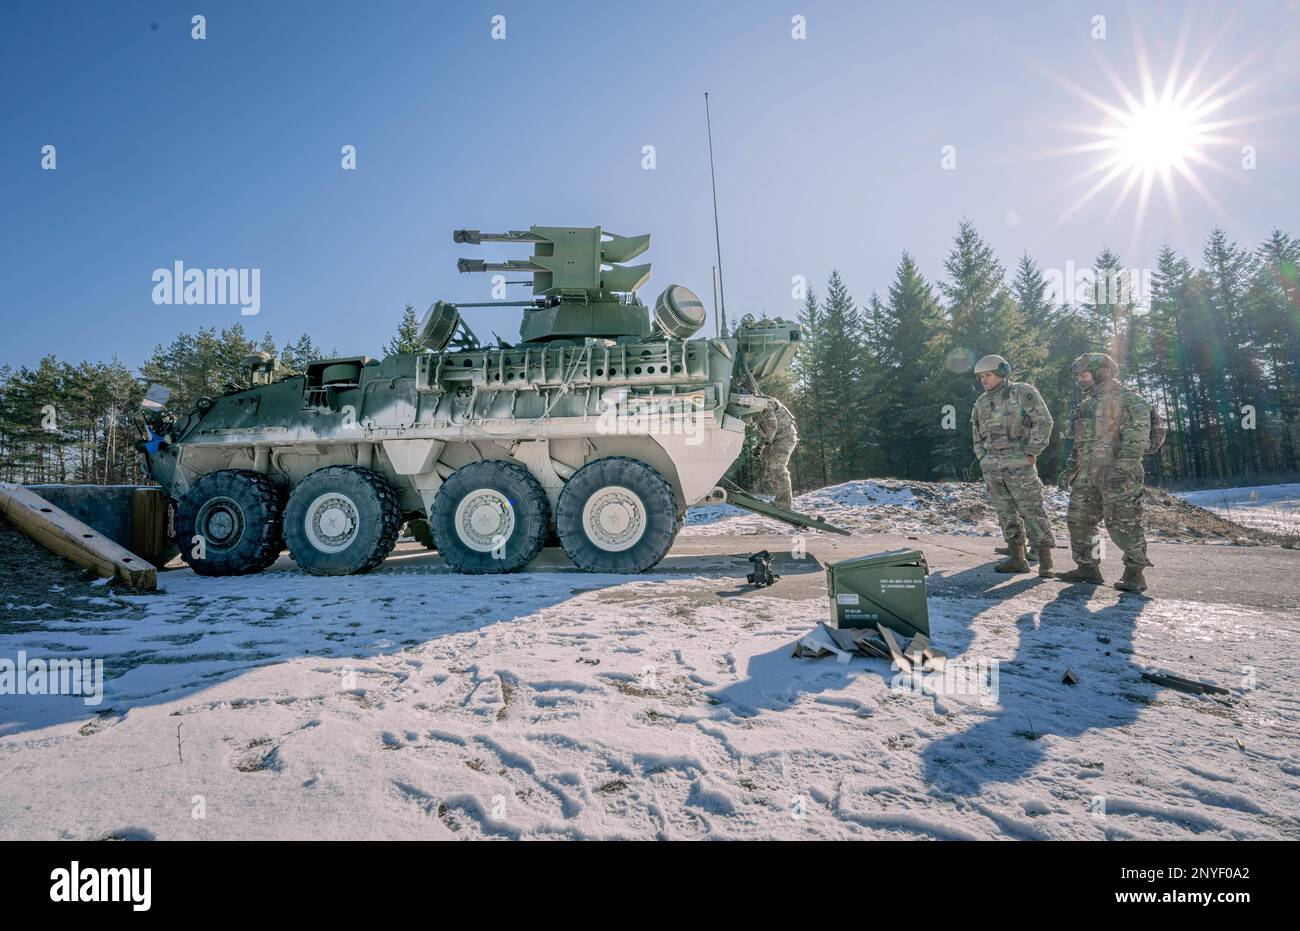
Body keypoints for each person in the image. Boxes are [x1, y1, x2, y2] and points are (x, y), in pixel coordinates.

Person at [1058, 352, 1155, 593]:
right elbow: (1080, 443)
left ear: (1103, 373)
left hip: (1118, 474)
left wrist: (1122, 469)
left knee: (1123, 524)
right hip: (1086, 474)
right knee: (1080, 522)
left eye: (1085, 374)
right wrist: (1070, 470)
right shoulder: (1086, 405)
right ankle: (1089, 568)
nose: (1080, 379)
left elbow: (1137, 439)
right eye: (1078, 376)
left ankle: (1134, 572)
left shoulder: (1130, 400)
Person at [970, 354, 1056, 576]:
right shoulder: (981, 402)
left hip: (1019, 461)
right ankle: (1017, 558)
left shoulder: (1022, 392)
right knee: (1005, 512)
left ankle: (1045, 560)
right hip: (992, 465)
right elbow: (975, 433)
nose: (984, 380)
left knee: (1032, 509)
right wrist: (982, 456)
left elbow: (1044, 421)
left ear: (1001, 372)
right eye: (980, 377)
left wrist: (1031, 451)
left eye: (988, 375)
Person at [754, 396, 798, 510]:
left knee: (777, 468)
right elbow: (766, 431)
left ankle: (784, 503)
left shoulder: (765, 404)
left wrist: (766, 444)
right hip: (775, 440)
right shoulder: (756, 409)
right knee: (769, 472)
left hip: (785, 438)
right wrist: (760, 447)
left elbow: (772, 427)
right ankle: (779, 500)